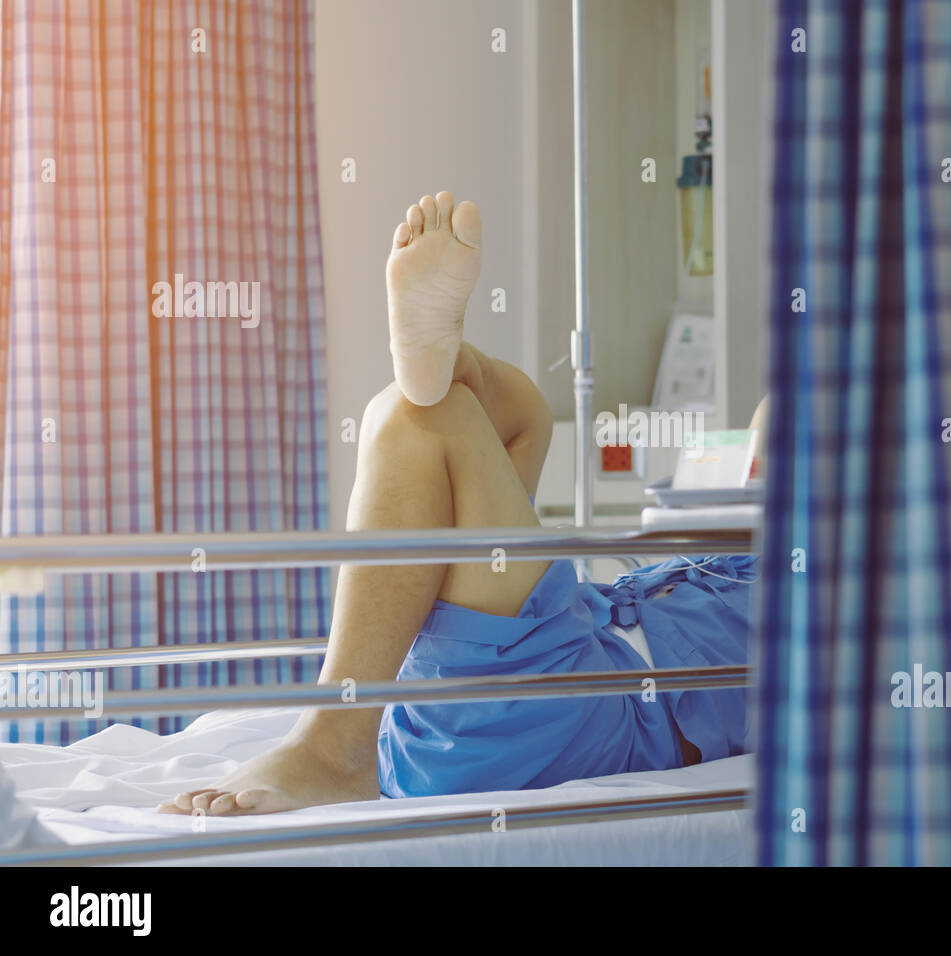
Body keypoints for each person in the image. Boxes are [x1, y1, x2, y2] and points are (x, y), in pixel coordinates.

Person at [160, 192, 760, 815]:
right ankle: (437, 363)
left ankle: (332, 747)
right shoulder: (749, 544)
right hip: (567, 653)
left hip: (577, 716)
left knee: (423, 417)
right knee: (510, 412)